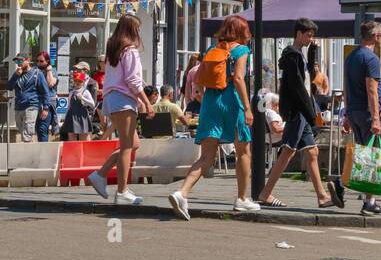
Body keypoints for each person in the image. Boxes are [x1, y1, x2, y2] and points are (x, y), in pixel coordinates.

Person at [168, 16, 257, 219]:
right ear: (242, 31)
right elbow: (239, 78)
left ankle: (182, 193)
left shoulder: (211, 49)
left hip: (210, 102)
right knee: (243, 149)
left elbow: (198, 80)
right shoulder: (242, 50)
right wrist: (247, 108)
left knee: (207, 156)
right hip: (231, 101)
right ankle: (242, 199)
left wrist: (201, 96)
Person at [258, 18, 339, 210]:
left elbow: (309, 78)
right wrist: (311, 113)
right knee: (287, 151)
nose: (311, 39)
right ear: (299, 33)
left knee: (312, 152)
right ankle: (265, 192)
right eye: (308, 35)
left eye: (312, 36)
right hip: (297, 111)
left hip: (301, 111)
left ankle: (321, 196)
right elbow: (298, 88)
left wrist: (313, 53)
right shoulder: (293, 56)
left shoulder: (299, 55)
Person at [86, 15, 154, 206]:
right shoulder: (129, 51)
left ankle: (101, 175)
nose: (139, 32)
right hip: (123, 99)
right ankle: (122, 190)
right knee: (126, 147)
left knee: (133, 144)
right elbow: (133, 81)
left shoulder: (113, 50)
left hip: (112, 98)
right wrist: (147, 102)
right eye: (137, 28)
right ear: (131, 30)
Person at [339, 20, 381, 216]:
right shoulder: (371, 59)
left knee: (366, 156)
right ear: (375, 36)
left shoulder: (352, 56)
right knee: (376, 156)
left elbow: (346, 86)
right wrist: (376, 118)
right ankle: (342, 186)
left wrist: (346, 113)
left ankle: (369, 200)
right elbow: (372, 90)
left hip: (354, 112)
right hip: (368, 113)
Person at [7, 55, 52, 143]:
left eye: (20, 61)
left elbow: (45, 91)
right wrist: (16, 76)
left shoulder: (37, 73)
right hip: (19, 106)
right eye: (17, 62)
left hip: (31, 105)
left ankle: (28, 155)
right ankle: (32, 150)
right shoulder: (17, 73)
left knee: (27, 134)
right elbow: (9, 87)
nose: (18, 64)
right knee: (23, 132)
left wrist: (46, 108)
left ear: (28, 60)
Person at [64, 69, 96, 140]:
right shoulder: (71, 92)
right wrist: (66, 117)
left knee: (84, 138)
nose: (77, 83)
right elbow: (69, 106)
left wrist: (83, 98)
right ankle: (73, 151)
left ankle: (86, 151)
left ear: (83, 82)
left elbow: (93, 105)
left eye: (80, 81)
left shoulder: (86, 92)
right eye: (76, 81)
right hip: (71, 116)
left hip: (83, 116)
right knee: (71, 138)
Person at [35, 52, 59, 142]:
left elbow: (51, 84)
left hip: (47, 103)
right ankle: (40, 149)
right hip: (36, 102)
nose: (39, 63)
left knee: (42, 128)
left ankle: (43, 151)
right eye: (37, 61)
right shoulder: (35, 70)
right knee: (38, 128)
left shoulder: (53, 71)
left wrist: (49, 71)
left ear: (47, 61)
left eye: (41, 61)